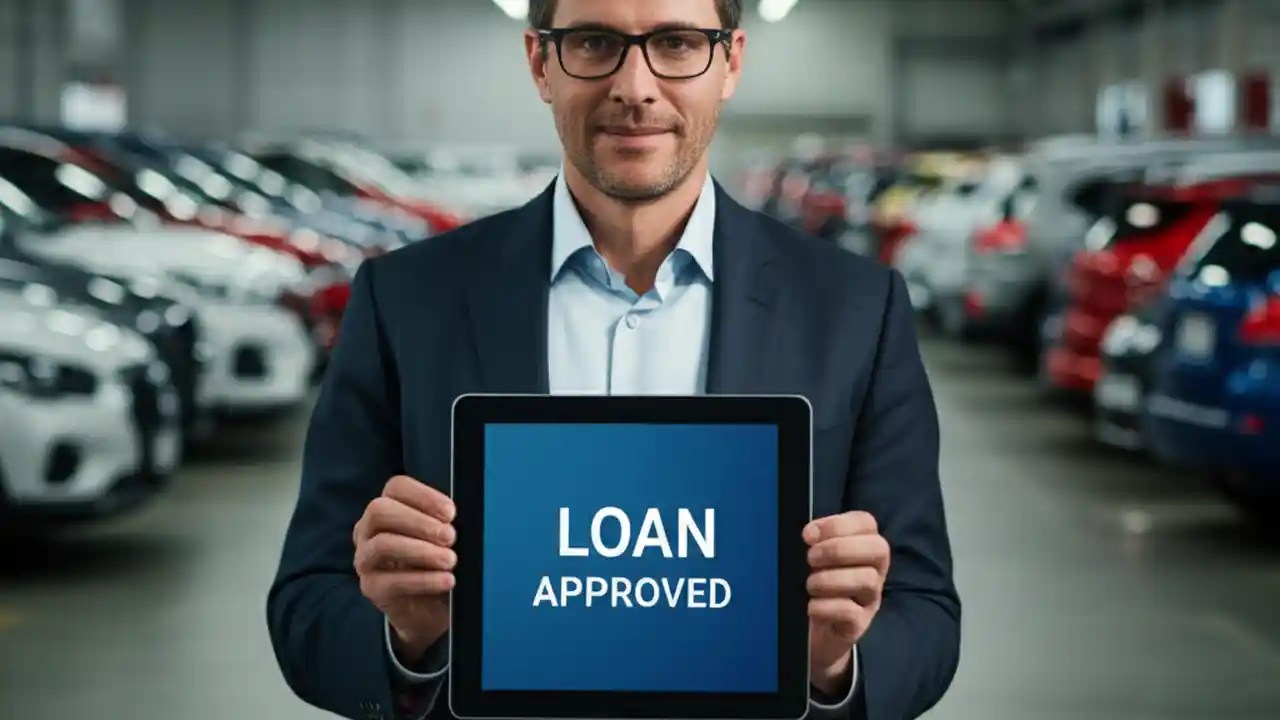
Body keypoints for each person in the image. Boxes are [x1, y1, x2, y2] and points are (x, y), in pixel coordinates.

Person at [266, 1, 961, 719]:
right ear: (541, 62)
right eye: (595, 43)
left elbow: (926, 615)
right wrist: (409, 640)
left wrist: (832, 663)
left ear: (731, 61)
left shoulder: (854, 308)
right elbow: (307, 606)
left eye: (678, 42)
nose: (635, 86)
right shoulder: (407, 300)